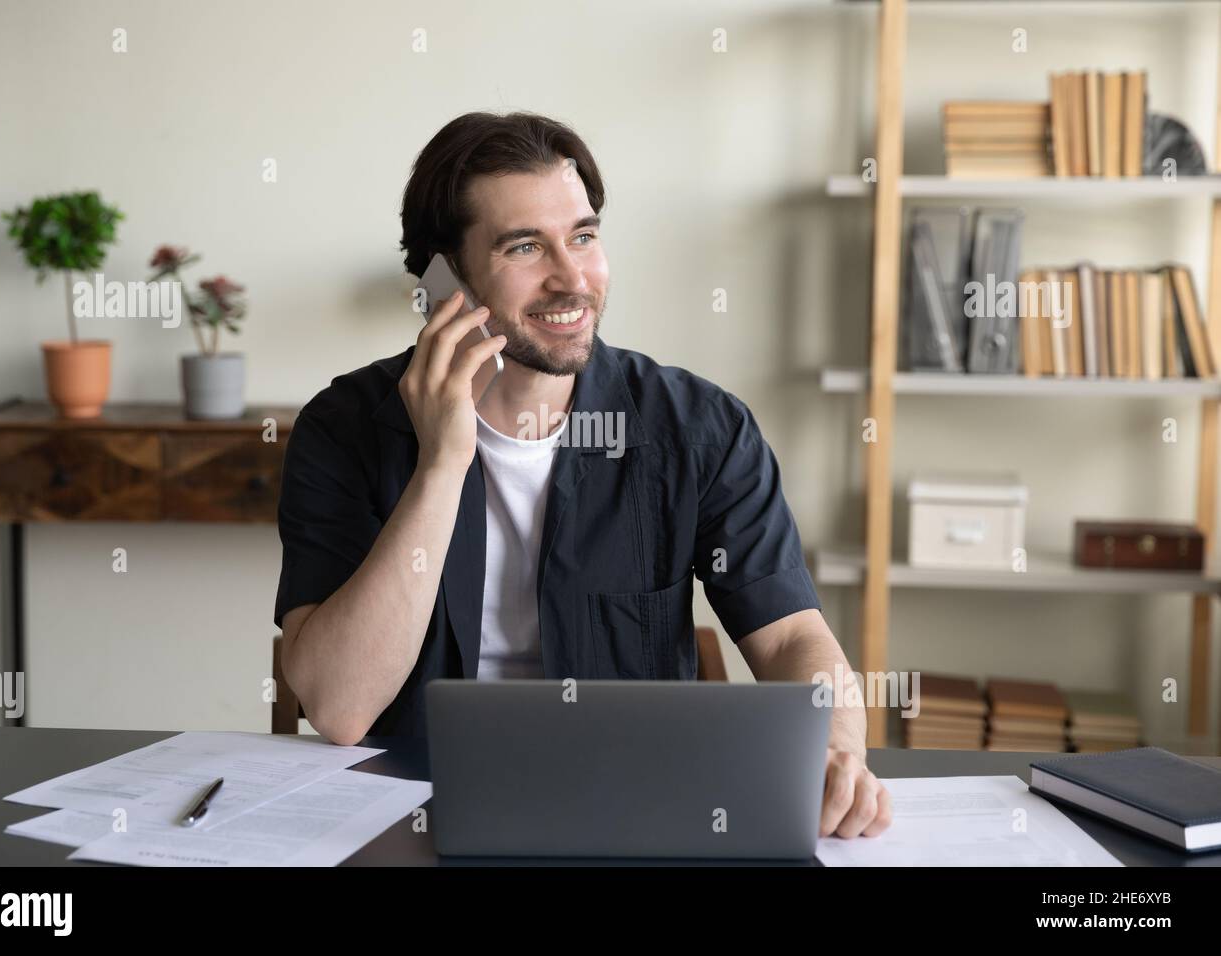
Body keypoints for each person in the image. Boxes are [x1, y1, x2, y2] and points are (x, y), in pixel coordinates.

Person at [274, 111, 890, 839]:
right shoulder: (344, 428)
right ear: (444, 279)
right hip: (406, 817)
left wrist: (840, 749)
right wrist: (443, 460)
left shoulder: (698, 429)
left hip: (633, 815)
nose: (573, 279)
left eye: (585, 237)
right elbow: (341, 709)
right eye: (526, 246)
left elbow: (790, 638)